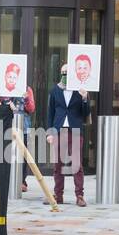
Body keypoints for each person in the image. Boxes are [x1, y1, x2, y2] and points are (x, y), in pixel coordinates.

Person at [46, 63, 89, 207]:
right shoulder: (55, 91)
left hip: (75, 131)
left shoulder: (79, 91)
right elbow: (50, 113)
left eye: (67, 72)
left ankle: (80, 195)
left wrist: (84, 99)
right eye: (63, 72)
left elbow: (86, 114)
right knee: (58, 165)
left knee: (76, 165)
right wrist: (50, 133)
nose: (65, 74)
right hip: (58, 131)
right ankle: (58, 195)